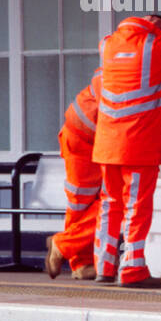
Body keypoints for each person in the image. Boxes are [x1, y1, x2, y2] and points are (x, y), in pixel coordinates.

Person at [92, 14, 161, 287]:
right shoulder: (155, 46)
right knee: (137, 207)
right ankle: (132, 270)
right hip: (139, 142)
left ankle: (104, 267)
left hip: (108, 142)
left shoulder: (108, 44)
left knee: (109, 204)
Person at [44, 70, 103, 280]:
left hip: (88, 138)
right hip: (88, 140)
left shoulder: (120, 56)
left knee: (83, 205)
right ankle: (66, 249)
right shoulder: (131, 61)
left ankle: (80, 263)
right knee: (109, 202)